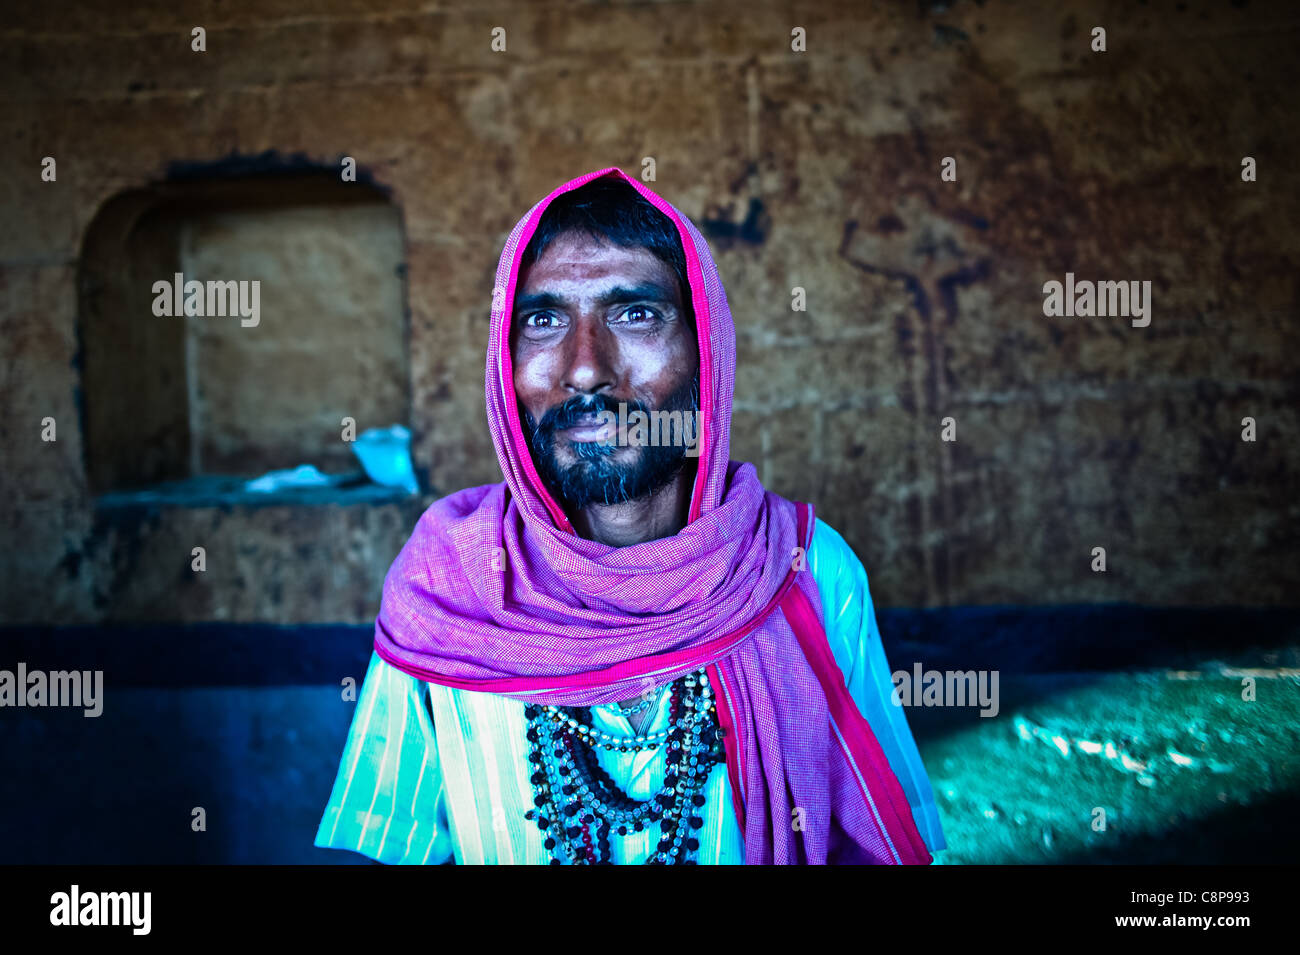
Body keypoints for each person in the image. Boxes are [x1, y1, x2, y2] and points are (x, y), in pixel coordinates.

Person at [314, 167, 945, 864]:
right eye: (544, 319)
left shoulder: (803, 570)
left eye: (635, 313)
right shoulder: (448, 587)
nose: (586, 369)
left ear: (706, 352)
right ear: (504, 364)